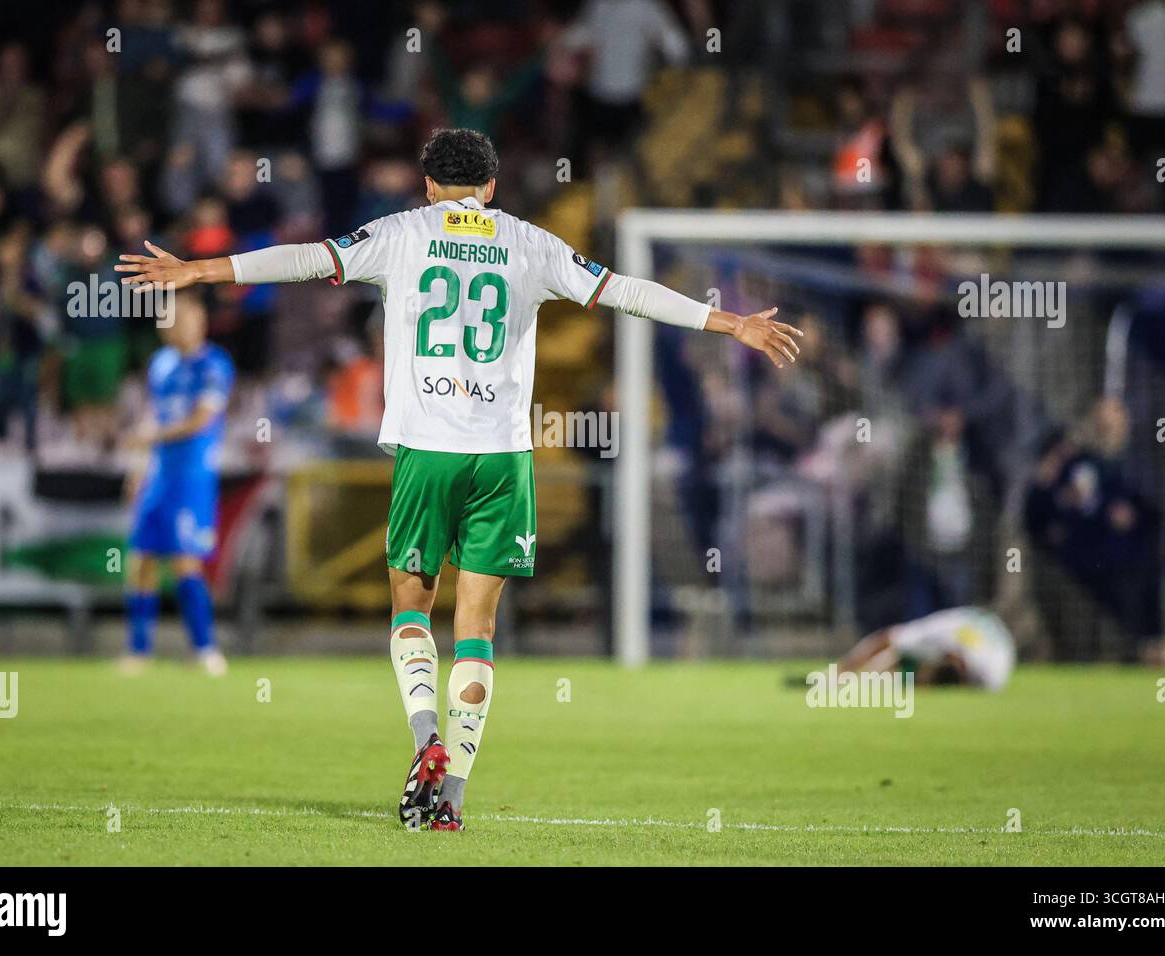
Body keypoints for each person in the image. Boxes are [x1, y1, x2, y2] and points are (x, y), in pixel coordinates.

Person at [115, 128, 802, 830]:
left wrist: (202, 271)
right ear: (493, 188)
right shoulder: (530, 242)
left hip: (426, 448)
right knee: (479, 628)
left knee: (411, 612)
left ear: (428, 186)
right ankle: (452, 800)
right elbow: (624, 291)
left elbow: (305, 259)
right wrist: (727, 321)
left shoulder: (401, 233)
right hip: (503, 457)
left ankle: (424, 742)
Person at [120, 292, 234, 678]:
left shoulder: (214, 365)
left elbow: (202, 420)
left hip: (192, 478)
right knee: (141, 561)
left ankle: (205, 649)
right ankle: (139, 651)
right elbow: (153, 415)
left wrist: (150, 439)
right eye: (163, 319)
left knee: (186, 560)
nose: (164, 325)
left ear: (197, 320)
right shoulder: (160, 364)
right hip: (159, 476)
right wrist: (139, 469)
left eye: (174, 318)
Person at [839, 606, 1015, 692]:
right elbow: (887, 638)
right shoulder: (941, 632)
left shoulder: (992, 676)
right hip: (968, 622)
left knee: (898, 657)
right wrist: (843, 669)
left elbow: (888, 640)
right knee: (899, 648)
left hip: (981, 629)